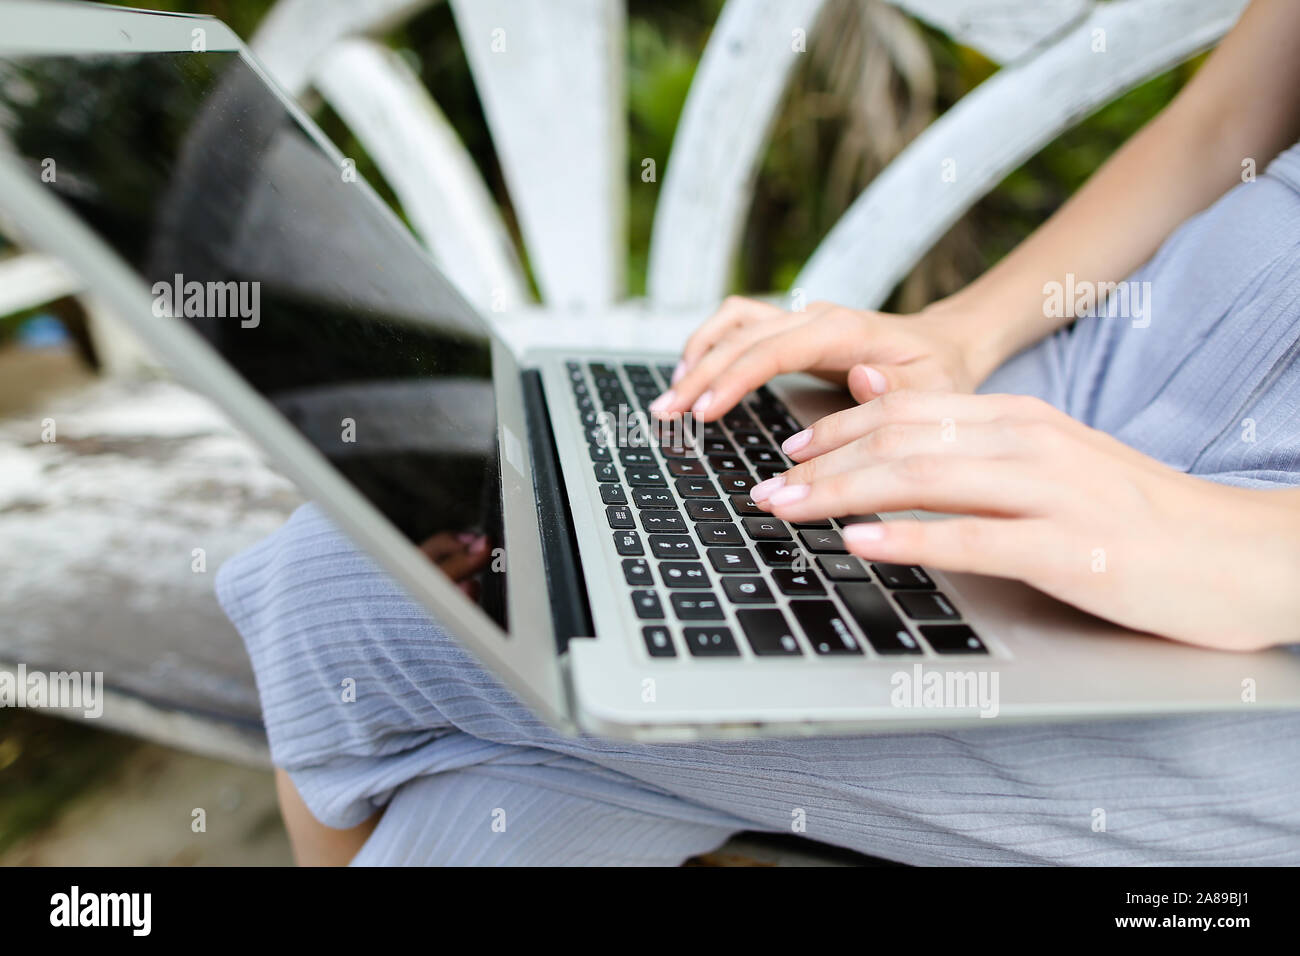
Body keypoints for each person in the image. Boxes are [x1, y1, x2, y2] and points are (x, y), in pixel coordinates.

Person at [218, 0, 1300, 865]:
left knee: (355, 585)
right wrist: (956, 336)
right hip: (1098, 368)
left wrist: (1252, 550)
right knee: (507, 798)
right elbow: (1224, 127)